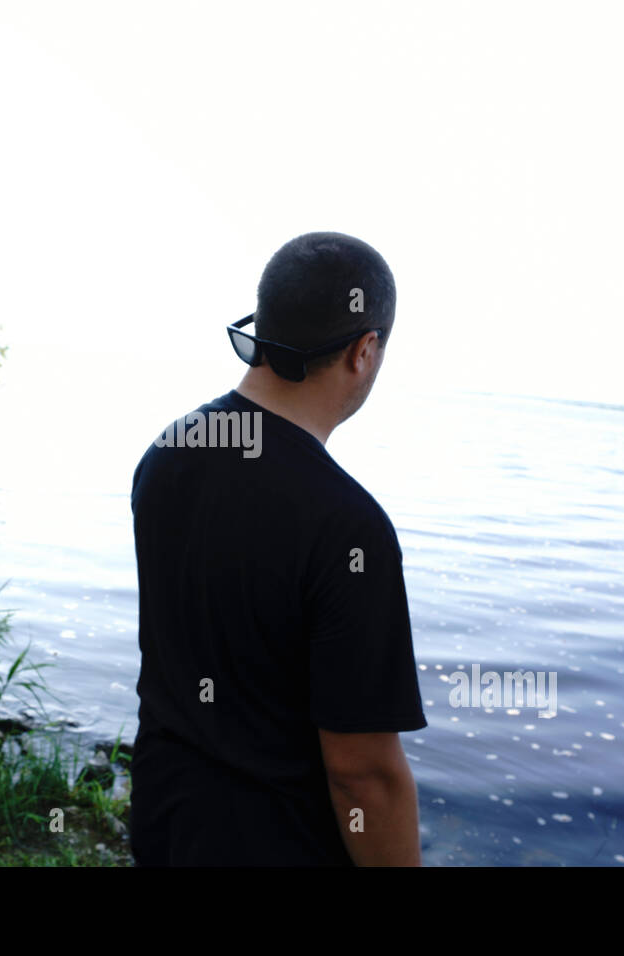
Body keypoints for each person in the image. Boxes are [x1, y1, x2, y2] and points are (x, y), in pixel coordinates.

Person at [128, 231, 426, 866]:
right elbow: (363, 773)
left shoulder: (167, 453)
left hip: (164, 822)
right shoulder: (349, 528)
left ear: (263, 321)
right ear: (364, 349)